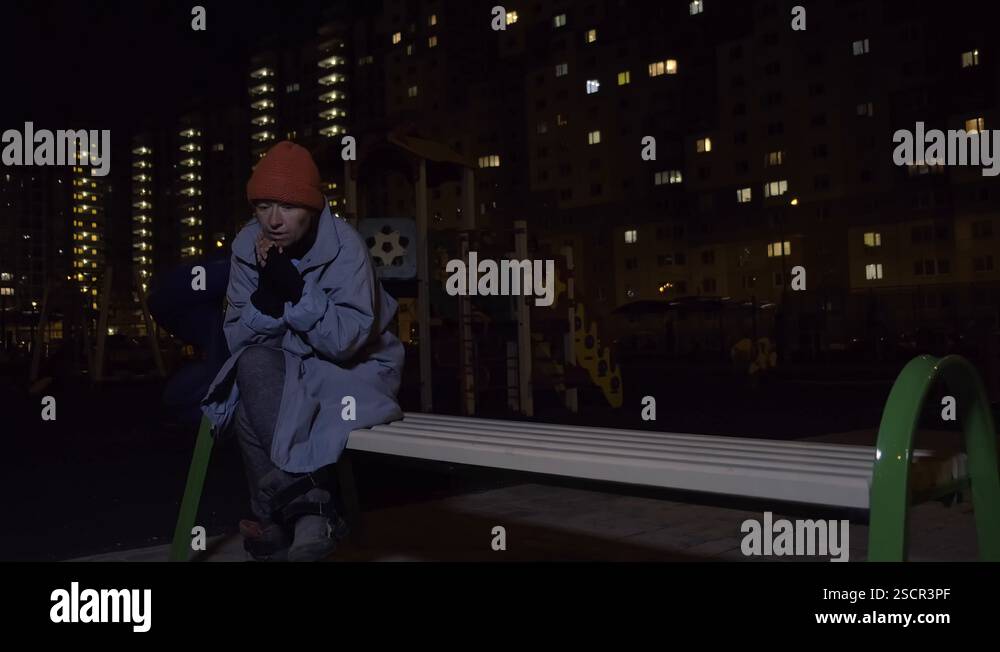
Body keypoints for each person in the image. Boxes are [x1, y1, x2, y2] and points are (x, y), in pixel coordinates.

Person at [200, 141, 405, 561]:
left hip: (355, 370)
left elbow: (346, 342)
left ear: (313, 208)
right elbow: (239, 340)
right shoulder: (245, 247)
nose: (273, 221)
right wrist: (266, 298)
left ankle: (277, 519)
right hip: (289, 365)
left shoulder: (346, 247)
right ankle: (310, 510)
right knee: (249, 375)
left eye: (289, 207)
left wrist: (294, 289)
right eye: (263, 206)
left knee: (249, 405)